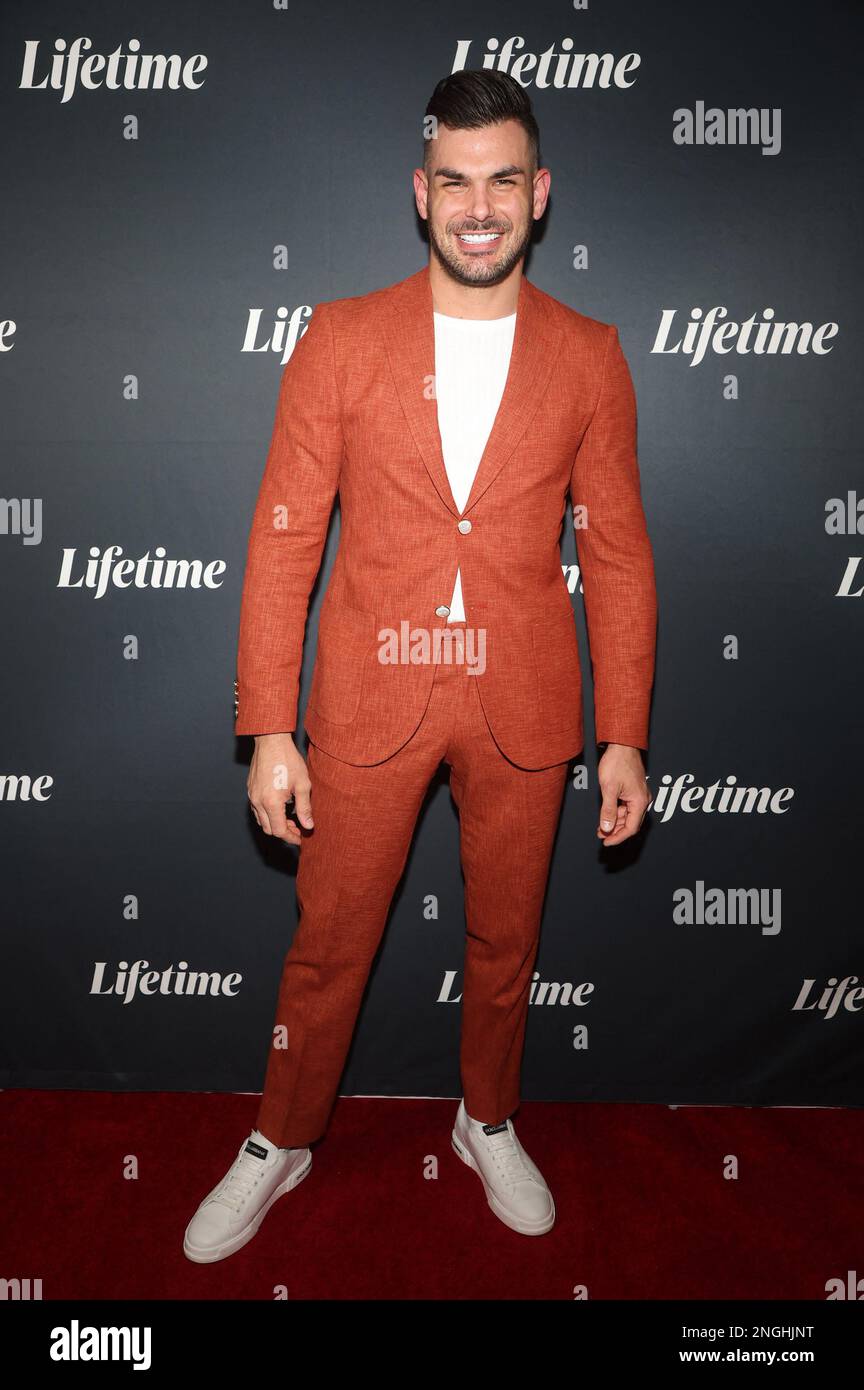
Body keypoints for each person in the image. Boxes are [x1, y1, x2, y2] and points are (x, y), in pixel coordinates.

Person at [184, 68, 657, 1264]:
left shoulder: (592, 354)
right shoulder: (340, 339)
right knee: (328, 940)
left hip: (527, 698)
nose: (480, 207)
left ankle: (484, 1116)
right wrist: (270, 725)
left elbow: (619, 552)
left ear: (539, 194)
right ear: (421, 192)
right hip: (366, 694)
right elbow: (283, 535)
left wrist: (625, 730)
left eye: (504, 181)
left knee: (508, 945)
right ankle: (280, 1138)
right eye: (457, 182)